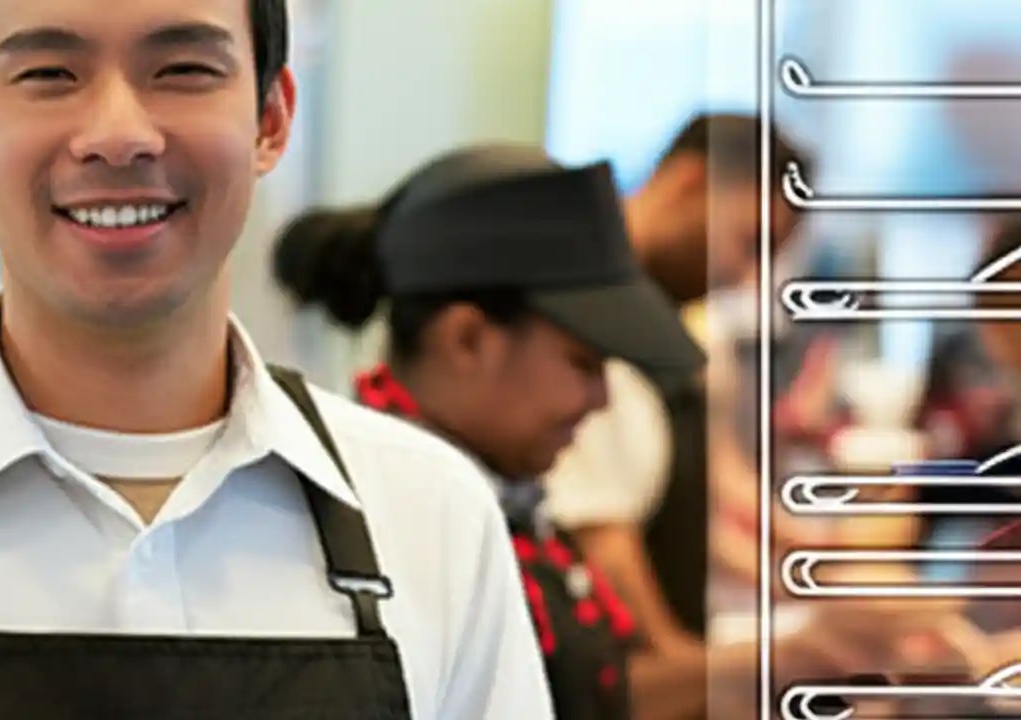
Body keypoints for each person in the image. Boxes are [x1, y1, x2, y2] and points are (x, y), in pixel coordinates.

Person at [0, 2, 554, 718]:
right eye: (51, 72)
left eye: (184, 69)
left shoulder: (431, 519)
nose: (118, 134)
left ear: (271, 118)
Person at [273, 143, 960, 720]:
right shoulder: (385, 529)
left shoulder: (500, 492)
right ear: (469, 338)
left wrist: (805, 650)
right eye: (583, 363)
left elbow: (588, 687)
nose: (601, 400)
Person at [543, 113, 815, 647]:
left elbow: (700, 504)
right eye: (751, 242)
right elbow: (618, 591)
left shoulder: (678, 331)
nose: (747, 277)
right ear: (691, 182)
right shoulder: (575, 322)